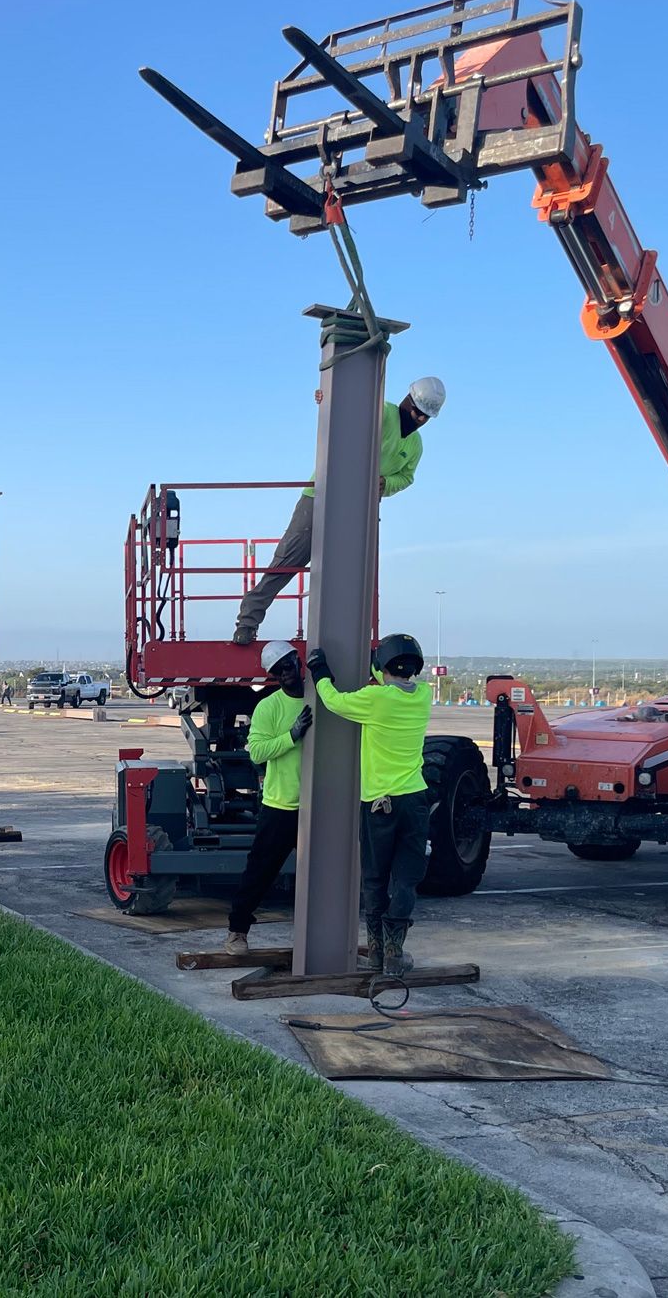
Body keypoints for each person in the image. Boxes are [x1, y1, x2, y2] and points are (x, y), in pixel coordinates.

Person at [232, 377, 445, 645]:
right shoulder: (379, 412)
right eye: (417, 411)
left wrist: (387, 483)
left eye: (426, 417)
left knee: (347, 573)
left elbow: (406, 477)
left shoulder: (415, 446)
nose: (420, 419)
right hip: (321, 495)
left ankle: (340, 636)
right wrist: (326, 400)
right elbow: (342, 416)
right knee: (286, 563)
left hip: (359, 508)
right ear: (407, 399)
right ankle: (248, 622)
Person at [306, 633, 433, 977]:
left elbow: (333, 700)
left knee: (375, 879)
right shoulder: (424, 695)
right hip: (415, 800)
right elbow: (392, 682)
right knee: (406, 879)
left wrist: (320, 670)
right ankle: (395, 953)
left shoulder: (374, 699)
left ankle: (375, 953)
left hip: (379, 803)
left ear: (381, 666)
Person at [224, 642, 314, 955]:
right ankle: (237, 932)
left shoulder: (321, 698)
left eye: (288, 666)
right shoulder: (269, 707)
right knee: (260, 871)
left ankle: (328, 937)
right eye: (277, 672)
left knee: (329, 873)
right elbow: (257, 752)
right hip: (282, 804)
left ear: (298, 662)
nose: (285, 674)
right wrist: (292, 735)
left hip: (319, 806)